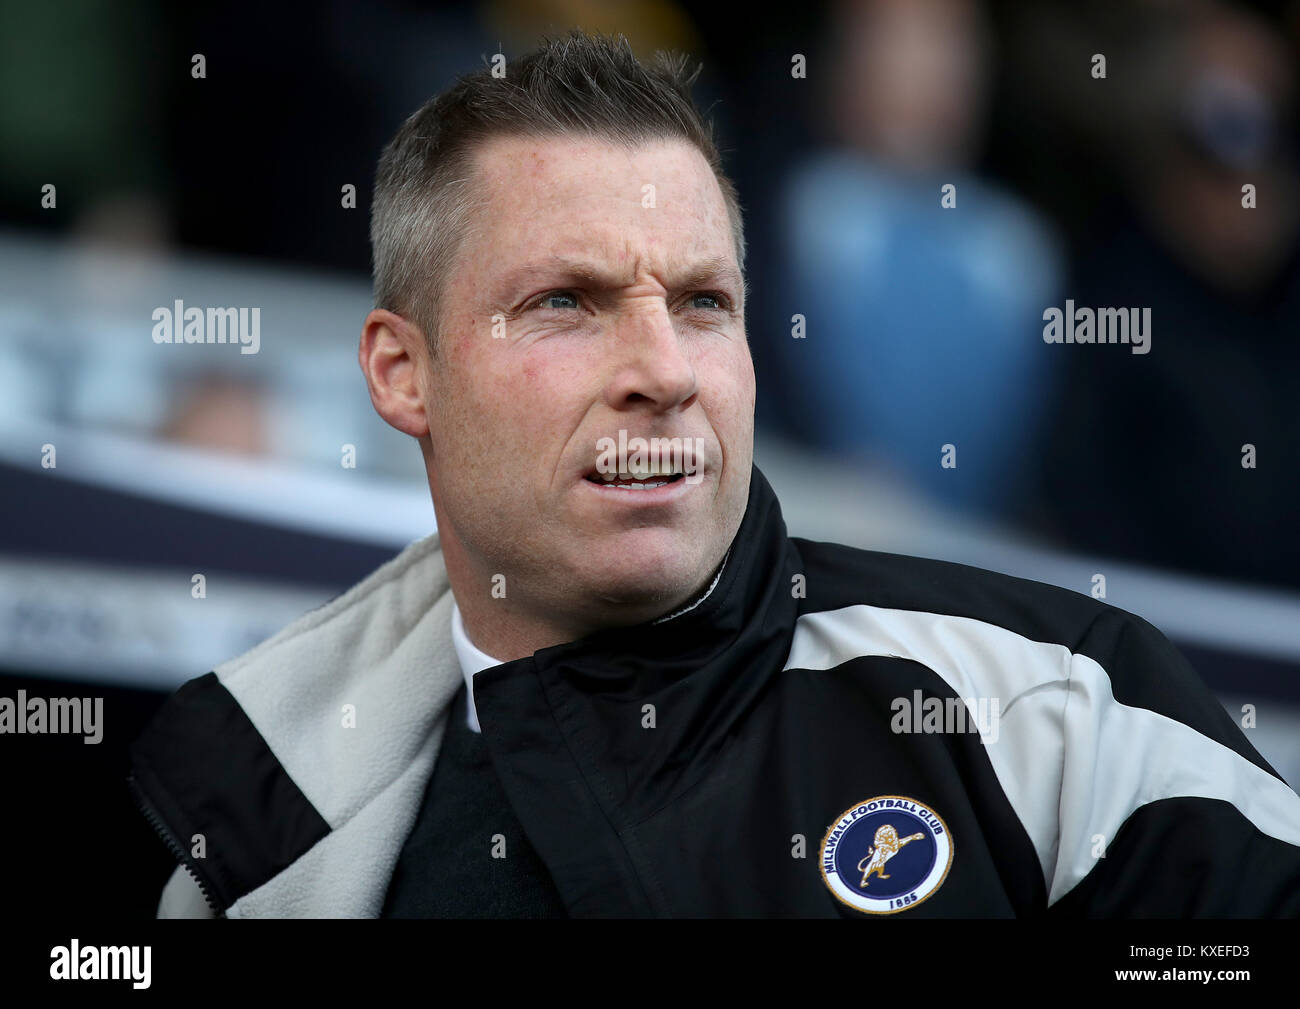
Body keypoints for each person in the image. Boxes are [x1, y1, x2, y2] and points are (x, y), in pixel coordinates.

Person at [129, 30, 1300, 919]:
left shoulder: (1059, 708)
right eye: (565, 302)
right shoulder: (255, 827)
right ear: (403, 374)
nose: (664, 371)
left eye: (701, 303)